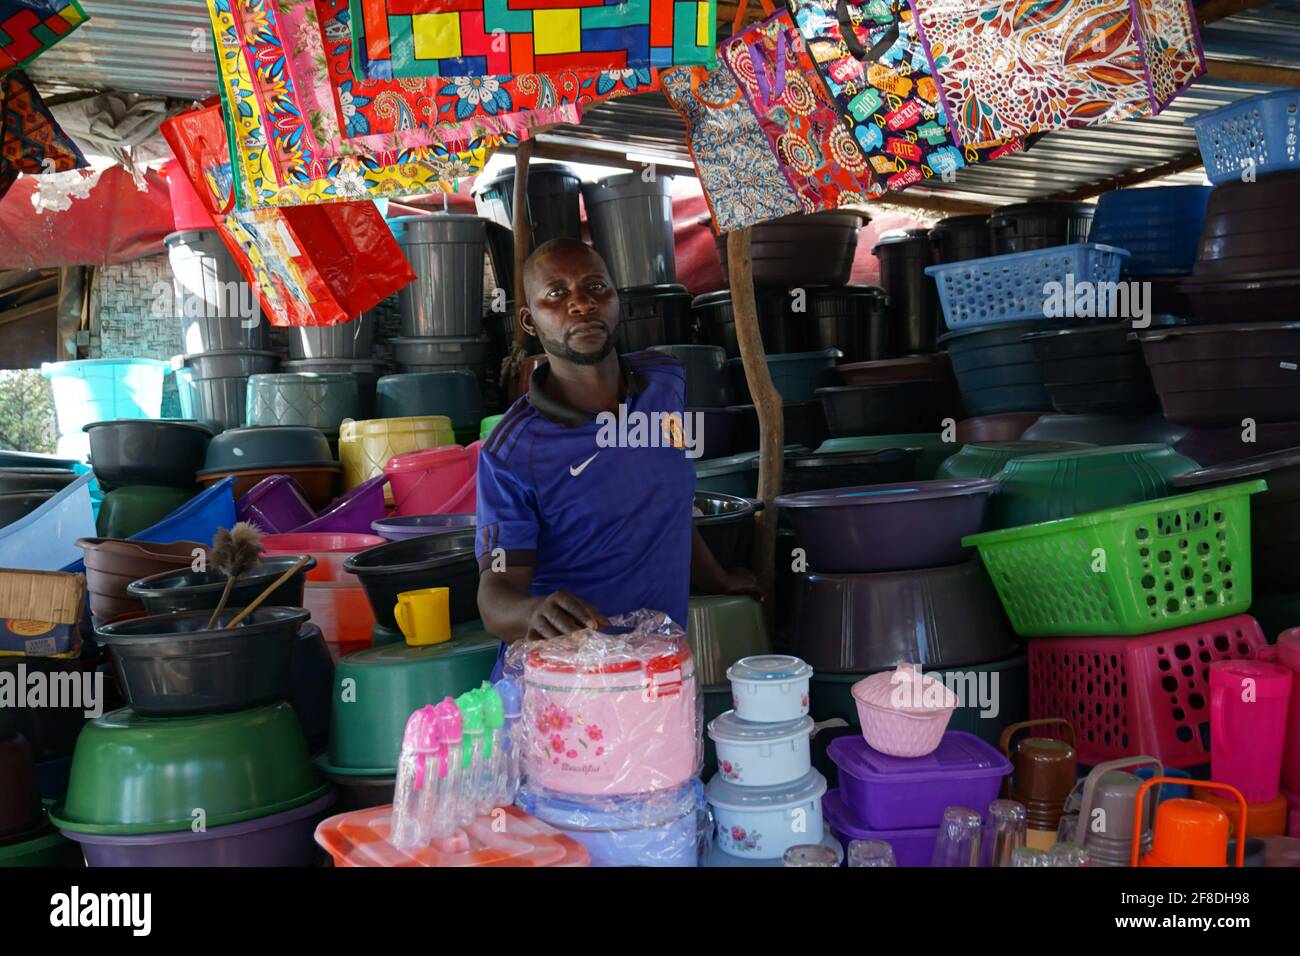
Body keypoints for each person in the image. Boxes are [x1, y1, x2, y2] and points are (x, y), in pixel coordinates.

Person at [476, 237, 761, 671]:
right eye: (555, 294)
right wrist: (531, 612)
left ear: (617, 299)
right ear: (528, 321)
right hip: (562, 686)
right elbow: (494, 596)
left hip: (654, 674)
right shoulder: (512, 453)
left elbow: (667, 501)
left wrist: (716, 578)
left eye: (595, 287)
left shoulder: (665, 383)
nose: (580, 304)